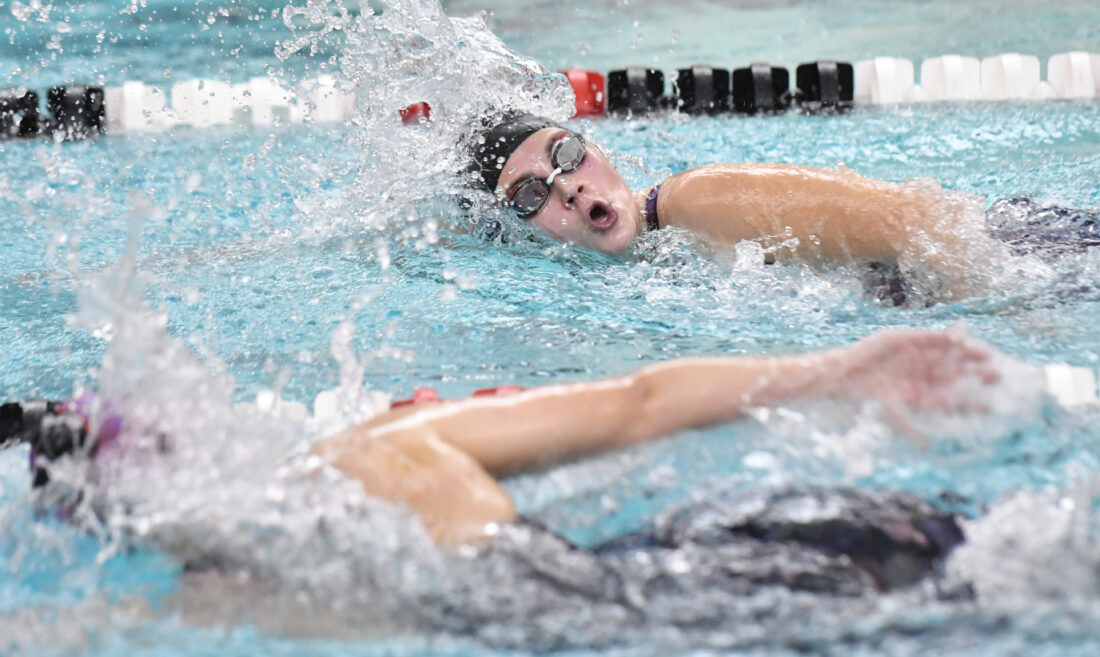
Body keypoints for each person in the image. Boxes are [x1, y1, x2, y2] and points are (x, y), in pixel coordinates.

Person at [2, 329, 998, 596]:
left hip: (618, 605)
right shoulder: (356, 455)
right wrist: (836, 370)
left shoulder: (220, 589)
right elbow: (635, 404)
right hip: (677, 571)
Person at [468, 112, 1100, 302]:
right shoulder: (651, 257)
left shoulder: (698, 199)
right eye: (530, 195)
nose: (568, 186)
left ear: (597, 146)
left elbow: (923, 222)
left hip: (1041, 254)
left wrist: (1015, 316)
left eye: (568, 154)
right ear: (523, 233)